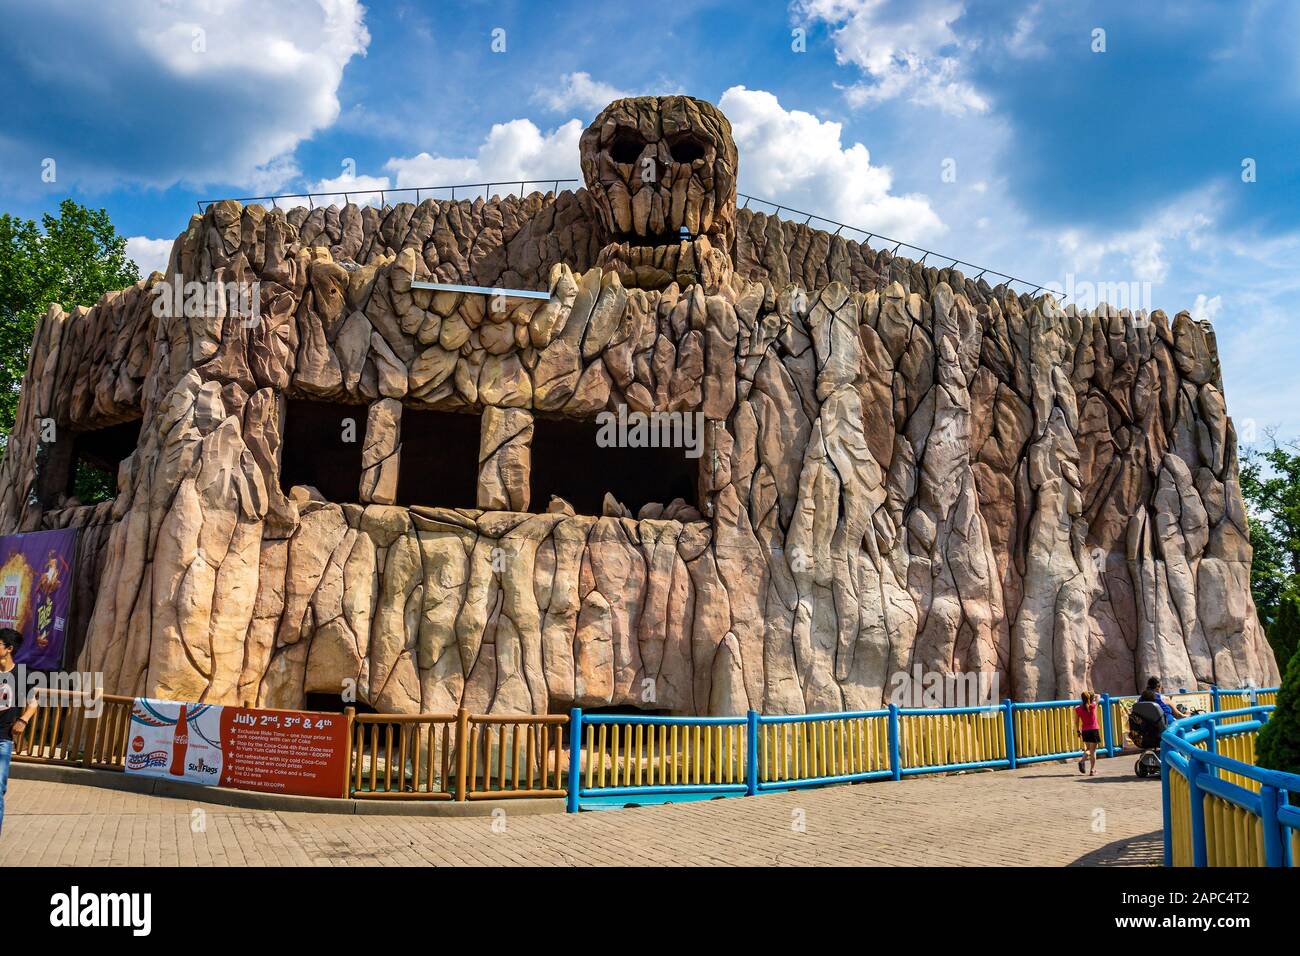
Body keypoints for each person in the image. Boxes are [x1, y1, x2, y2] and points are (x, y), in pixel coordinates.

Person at [0, 627, 38, 838]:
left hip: (3, 740)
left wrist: (23, 720)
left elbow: (33, 704)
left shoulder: (21, 675)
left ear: (9, 649)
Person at [1075, 690, 1102, 775]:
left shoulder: (1078, 708)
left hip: (1085, 731)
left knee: (1088, 749)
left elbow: (1076, 722)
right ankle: (1090, 768)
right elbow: (1099, 696)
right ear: (1090, 698)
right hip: (1093, 730)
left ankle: (1086, 764)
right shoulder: (1092, 706)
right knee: (1092, 751)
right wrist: (1093, 696)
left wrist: (1078, 730)